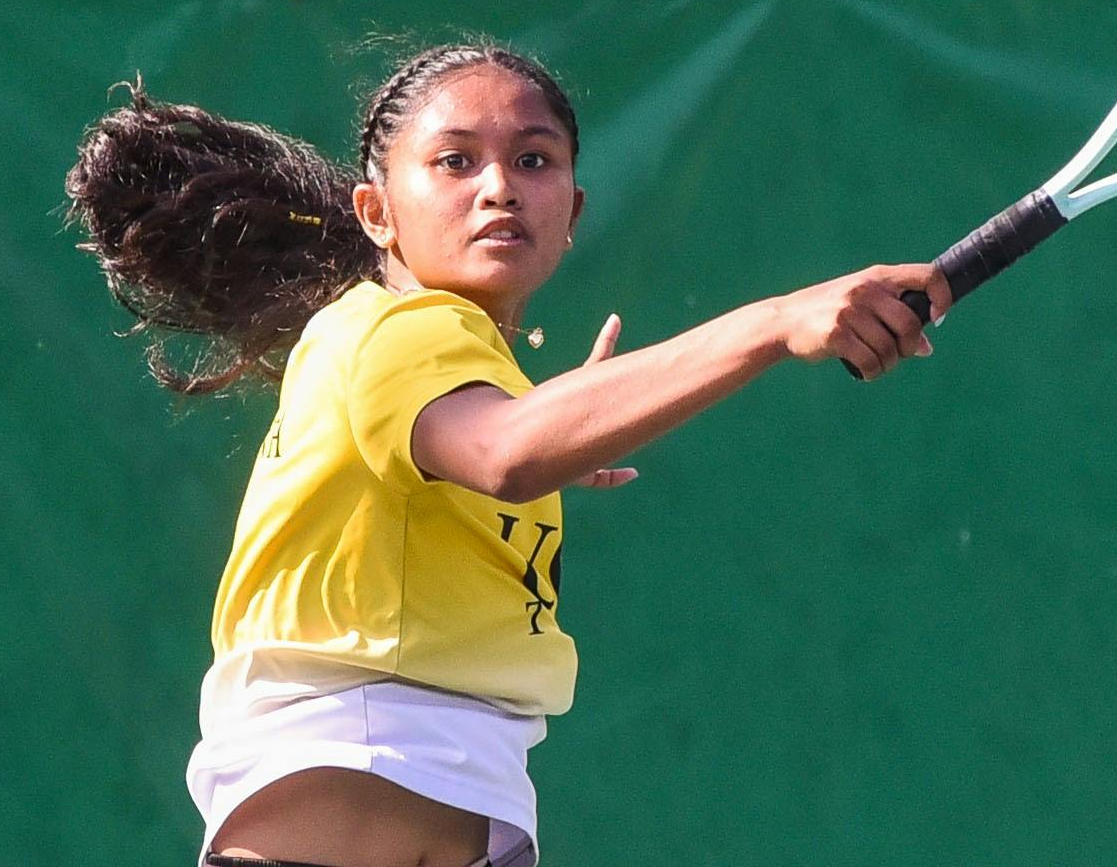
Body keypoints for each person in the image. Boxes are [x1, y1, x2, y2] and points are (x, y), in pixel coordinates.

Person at [64, 43, 951, 867]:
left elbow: (506, 448)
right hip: (346, 783)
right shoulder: (393, 332)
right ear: (376, 212)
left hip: (466, 794)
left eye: (534, 160)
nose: (499, 187)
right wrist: (775, 321)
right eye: (454, 161)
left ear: (573, 210)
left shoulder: (446, 360)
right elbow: (506, 453)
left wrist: (569, 423)